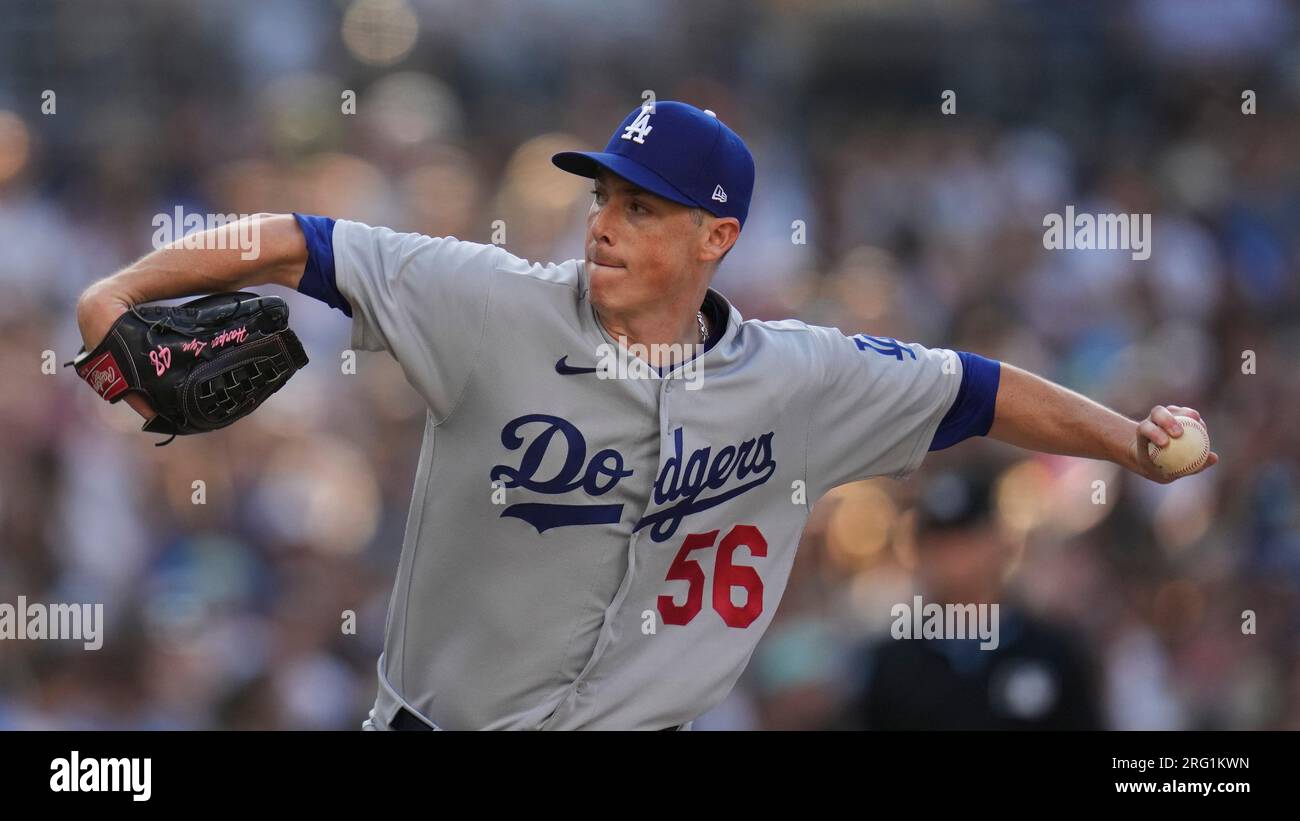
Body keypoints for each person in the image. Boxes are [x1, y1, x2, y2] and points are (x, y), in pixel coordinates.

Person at [74, 100, 1217, 730]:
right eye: (602, 196)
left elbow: (976, 387)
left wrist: (1125, 438)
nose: (604, 223)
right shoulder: (489, 301)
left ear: (715, 239)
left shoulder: (799, 377)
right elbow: (296, 238)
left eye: (641, 205)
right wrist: (121, 289)